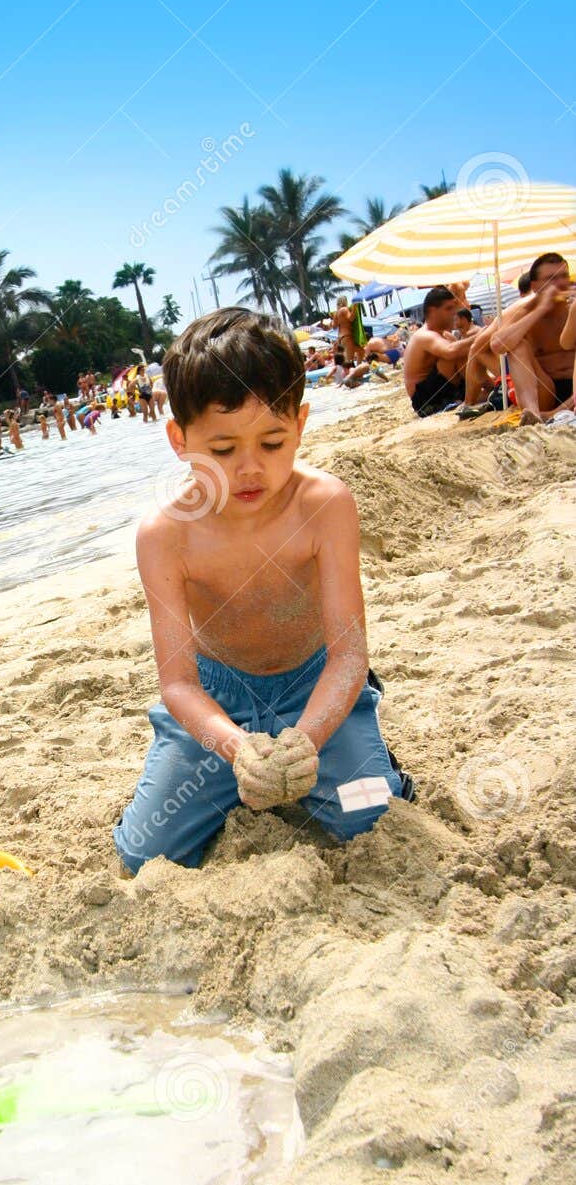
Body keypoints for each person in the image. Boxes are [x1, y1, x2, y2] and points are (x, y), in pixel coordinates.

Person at [113, 307, 408, 875]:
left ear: (300, 424)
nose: (249, 468)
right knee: (144, 851)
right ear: (179, 439)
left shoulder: (324, 505)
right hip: (217, 699)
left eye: (272, 442)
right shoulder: (165, 534)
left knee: (370, 813)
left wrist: (309, 738)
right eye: (223, 450)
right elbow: (178, 683)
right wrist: (237, 748)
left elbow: (349, 654)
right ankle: (232, 782)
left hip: (315, 683)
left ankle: (369, 761)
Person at [489, 252, 575, 420]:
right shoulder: (524, 310)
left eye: (564, 276)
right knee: (517, 346)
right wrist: (541, 309)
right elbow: (498, 346)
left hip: (574, 388)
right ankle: (533, 413)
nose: (560, 283)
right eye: (551, 279)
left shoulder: (573, 308)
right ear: (535, 287)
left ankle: (551, 415)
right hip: (546, 391)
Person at [402, 287, 480, 416]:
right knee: (455, 353)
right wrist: (482, 335)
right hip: (426, 401)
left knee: (464, 350)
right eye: (448, 309)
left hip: (443, 390)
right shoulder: (424, 335)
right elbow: (451, 351)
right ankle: (481, 390)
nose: (454, 313)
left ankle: (487, 387)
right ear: (433, 311)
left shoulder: (444, 335)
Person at [333, 295, 366, 364]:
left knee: (361, 351)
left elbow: (334, 326)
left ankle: (358, 367)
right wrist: (355, 306)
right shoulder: (344, 309)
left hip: (341, 339)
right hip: (347, 336)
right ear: (344, 301)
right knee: (349, 361)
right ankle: (354, 370)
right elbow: (351, 318)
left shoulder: (336, 313)